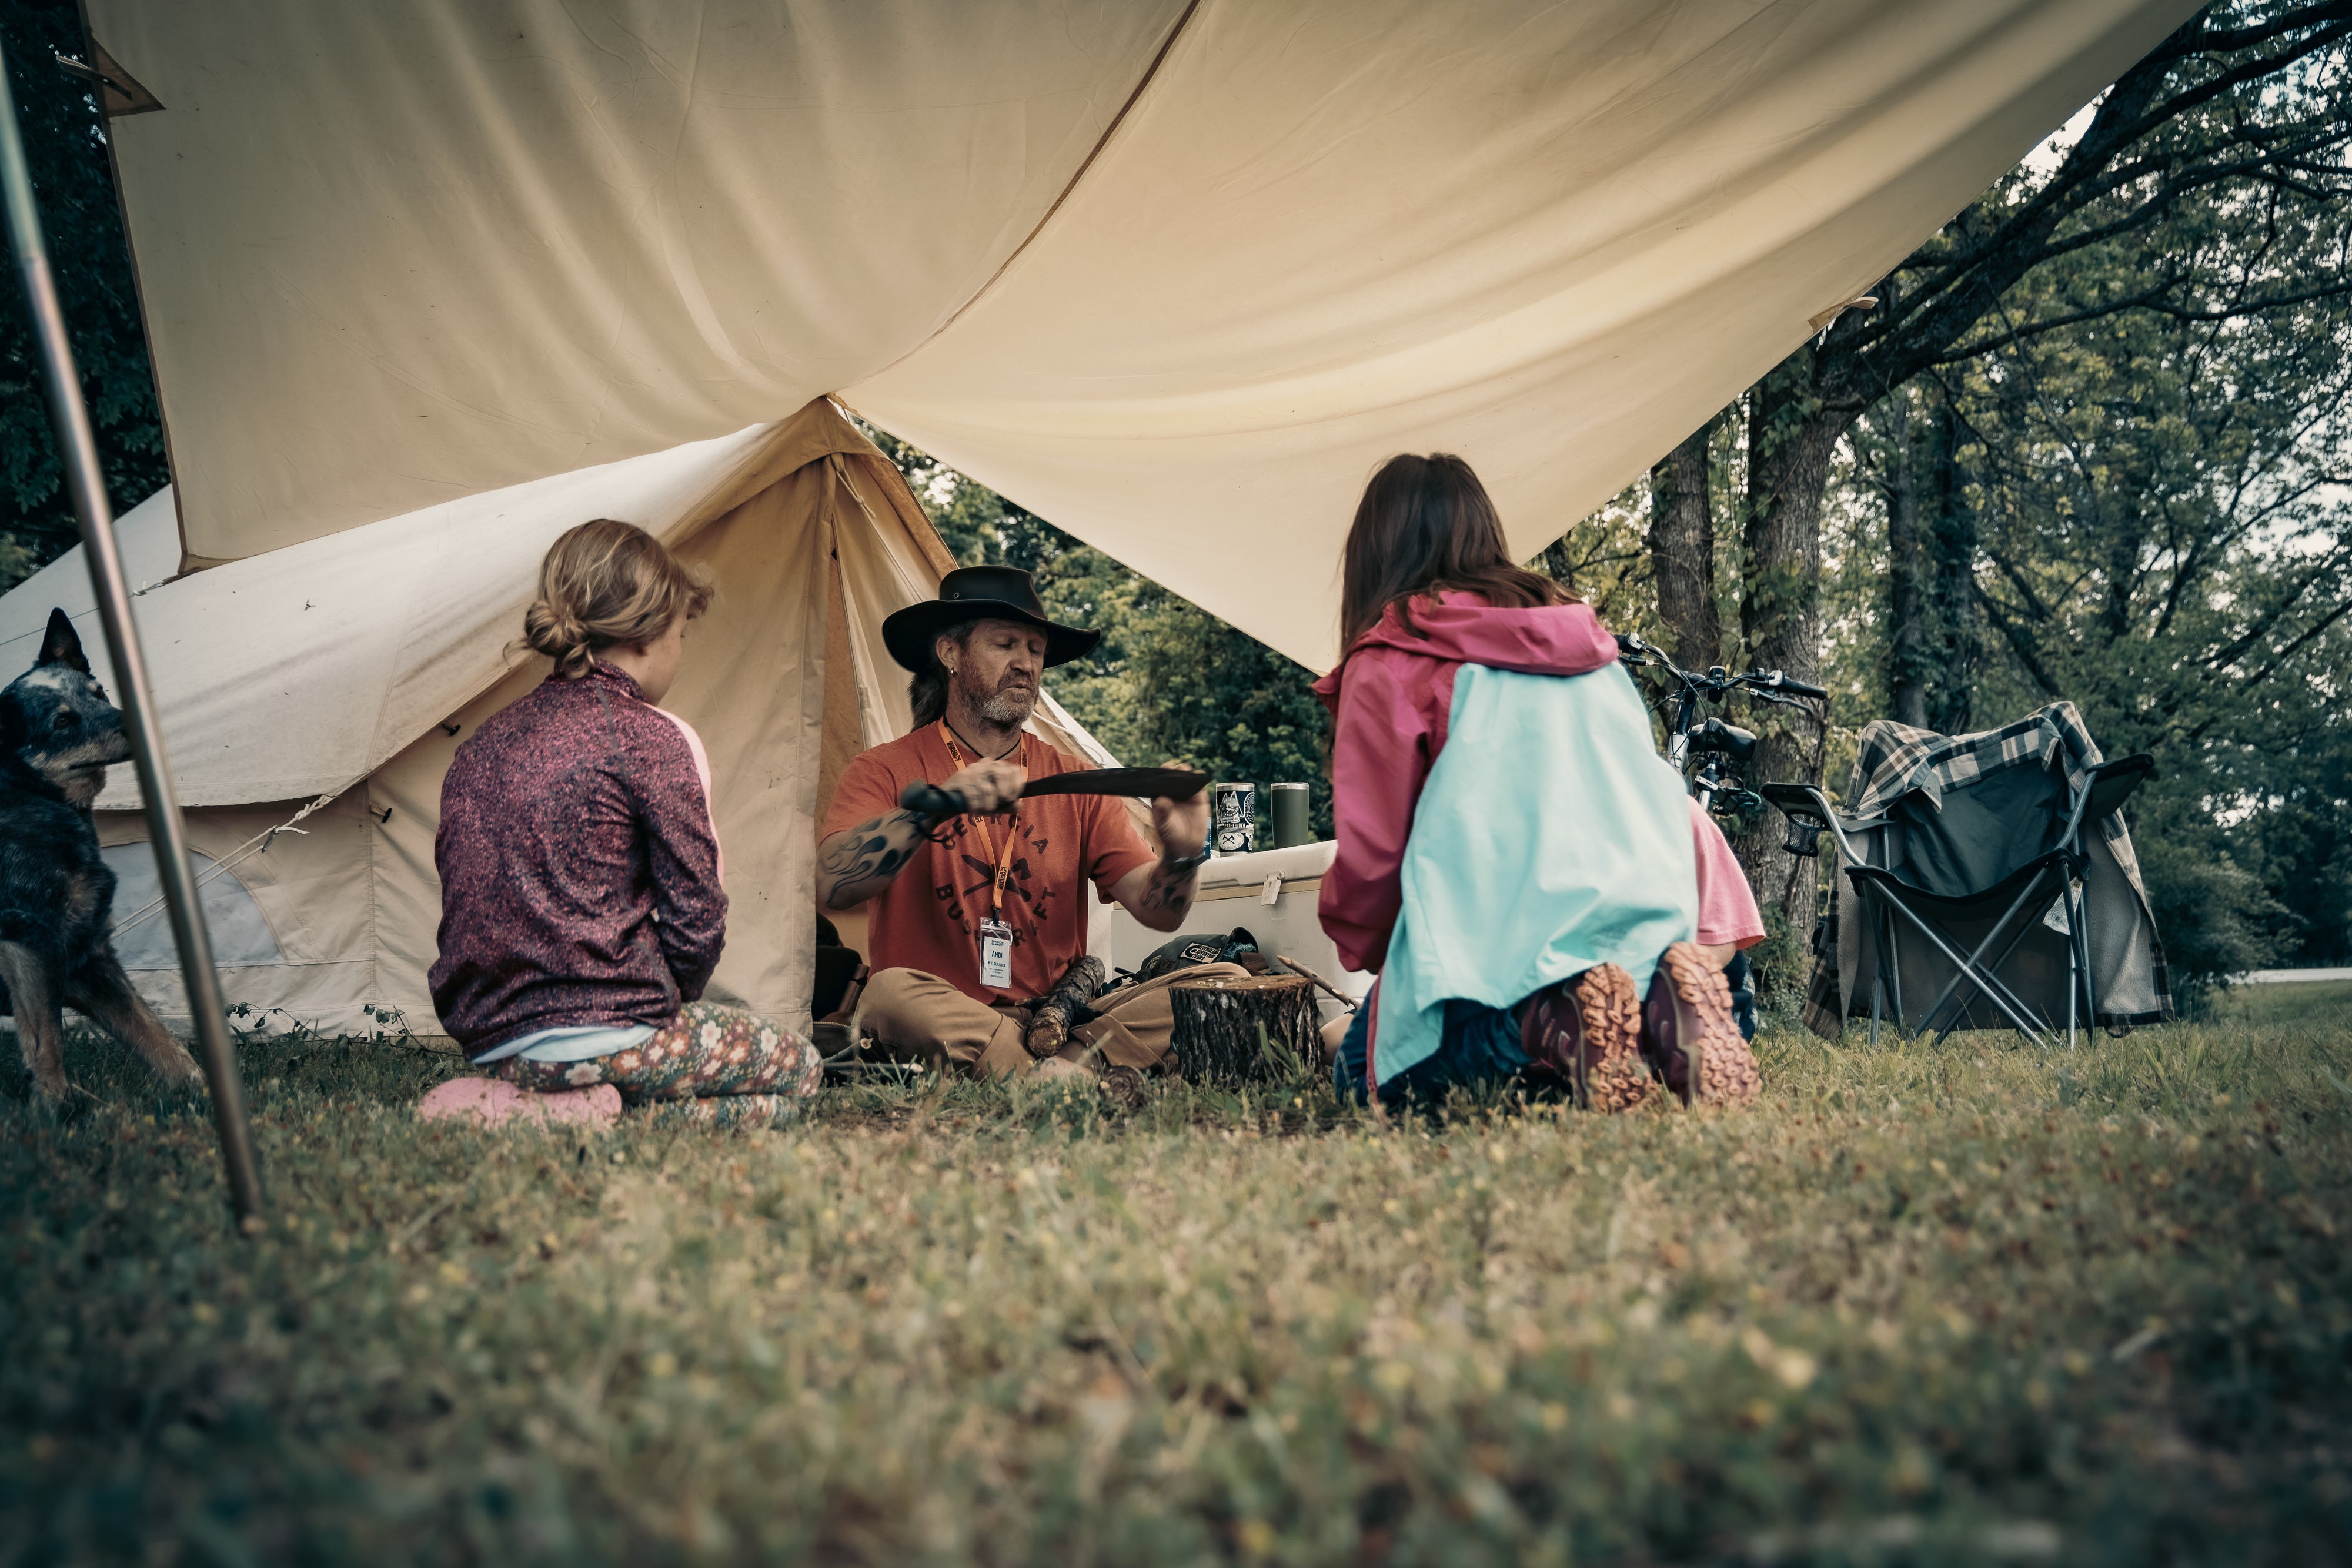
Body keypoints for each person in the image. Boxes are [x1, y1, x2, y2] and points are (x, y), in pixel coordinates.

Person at [1317, 455, 1766, 1111]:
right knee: (1586, 1039)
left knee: (1361, 1078)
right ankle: (1640, 1024)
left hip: (1521, 970)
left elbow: (1374, 863)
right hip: (1676, 954)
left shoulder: (1393, 658)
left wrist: (1371, 950)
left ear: (1373, 553)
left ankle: (1550, 1026)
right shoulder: (1587, 649)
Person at [426, 519, 821, 1127]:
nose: (681, 651)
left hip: (493, 1038)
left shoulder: (482, 745)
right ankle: (602, 1116)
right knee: (801, 1074)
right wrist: (665, 1007)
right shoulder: (651, 736)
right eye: (683, 633)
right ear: (650, 633)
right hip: (609, 1029)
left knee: (618, 1061)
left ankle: (534, 1105)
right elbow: (697, 916)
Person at [818, 566, 1228, 1080]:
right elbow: (834, 885)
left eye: (1036, 649)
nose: (1025, 664)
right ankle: (1060, 1077)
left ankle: (1053, 1072)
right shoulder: (883, 768)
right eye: (1006, 643)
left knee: (1223, 979)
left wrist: (1183, 856)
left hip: (1057, 1019)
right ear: (950, 653)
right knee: (889, 995)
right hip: (951, 1018)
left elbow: (1160, 914)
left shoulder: (1075, 778)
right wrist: (934, 808)